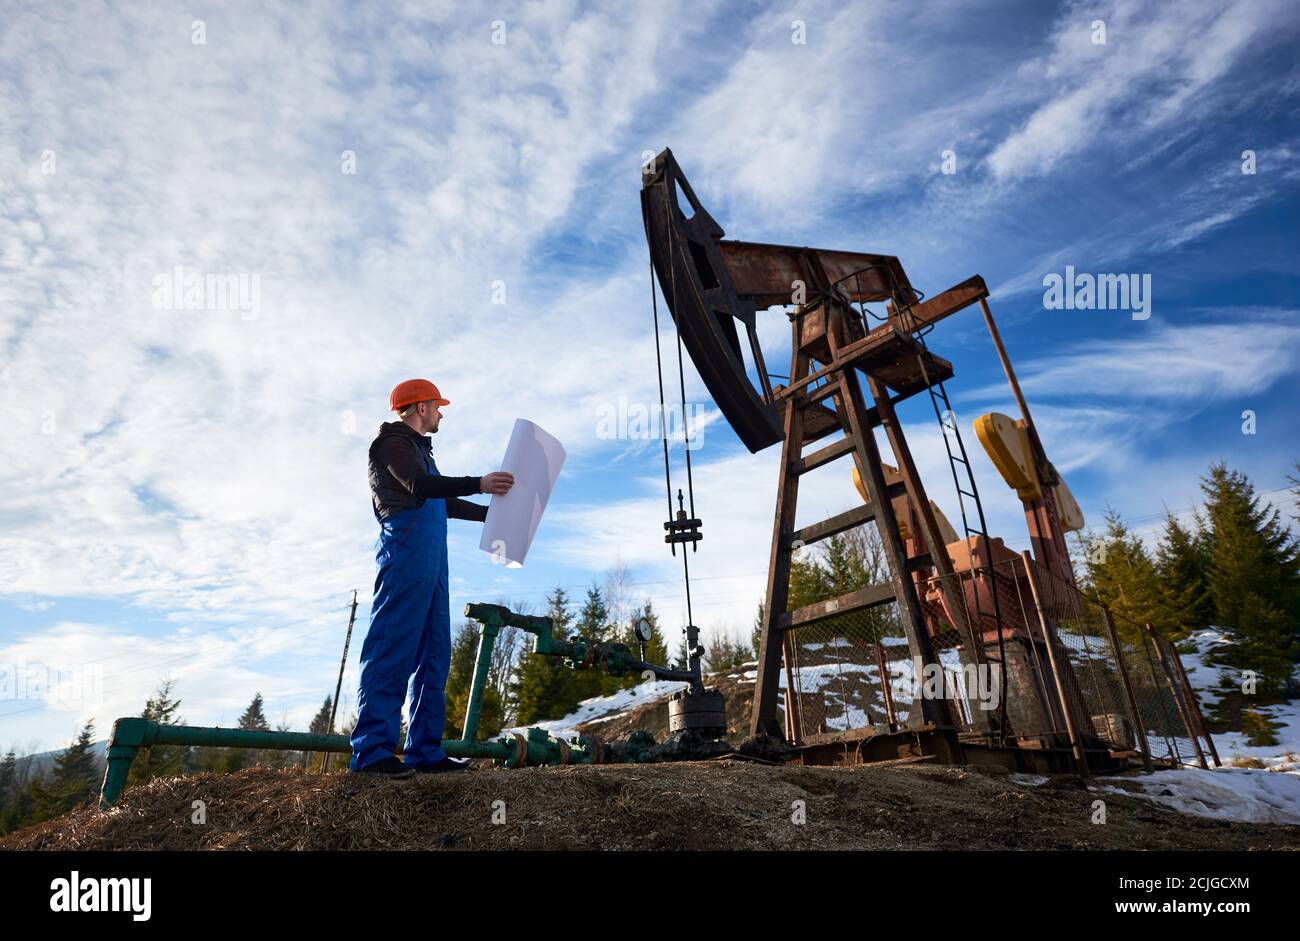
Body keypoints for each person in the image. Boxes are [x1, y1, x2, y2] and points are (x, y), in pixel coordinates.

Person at [349, 378, 513, 777]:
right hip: (405, 550)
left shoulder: (422, 450)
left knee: (434, 651)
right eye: (438, 407)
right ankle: (371, 752)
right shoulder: (393, 445)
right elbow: (419, 486)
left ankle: (424, 750)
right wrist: (479, 484)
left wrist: (491, 515)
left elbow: (442, 499)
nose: (441, 413)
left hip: (432, 558)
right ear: (421, 407)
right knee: (394, 643)